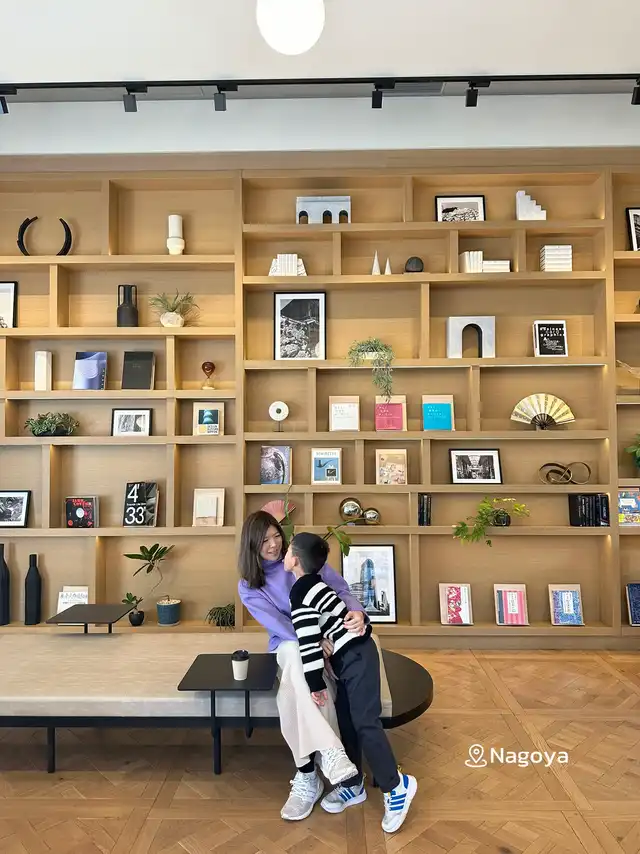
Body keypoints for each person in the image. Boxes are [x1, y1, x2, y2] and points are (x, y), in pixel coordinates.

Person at [285, 532, 418, 834]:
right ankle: (353, 784)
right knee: (346, 721)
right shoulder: (314, 584)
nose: (283, 554)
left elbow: (308, 643)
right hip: (346, 660)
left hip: (357, 655)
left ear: (294, 560)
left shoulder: (301, 590)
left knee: (364, 722)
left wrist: (315, 684)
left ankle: (397, 786)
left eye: (287, 550)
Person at [238, 511, 366, 821]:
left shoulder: (300, 557)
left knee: (290, 694)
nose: (273, 545)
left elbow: (342, 590)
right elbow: (278, 624)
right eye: (264, 541)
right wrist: (312, 640)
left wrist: (357, 612)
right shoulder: (249, 585)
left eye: (276, 536)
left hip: (324, 639)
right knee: (296, 653)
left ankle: (307, 774)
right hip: (287, 643)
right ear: (251, 545)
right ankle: (332, 752)